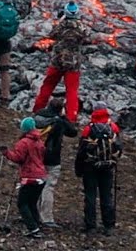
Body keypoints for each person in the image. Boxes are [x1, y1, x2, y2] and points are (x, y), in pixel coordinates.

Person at [32, 2, 91, 123]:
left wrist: (60, 20)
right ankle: (71, 117)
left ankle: (38, 109)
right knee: (72, 91)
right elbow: (87, 37)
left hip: (57, 61)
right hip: (73, 63)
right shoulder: (81, 28)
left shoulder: (61, 25)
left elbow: (51, 35)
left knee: (48, 85)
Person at [74, 102, 122, 236]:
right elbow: (119, 147)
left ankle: (91, 226)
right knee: (107, 195)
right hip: (108, 166)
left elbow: (81, 151)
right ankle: (109, 225)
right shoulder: (113, 127)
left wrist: (78, 169)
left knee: (90, 196)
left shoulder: (88, 129)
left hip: (90, 167)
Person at [33, 95, 78, 229]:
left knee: (34, 184)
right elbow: (73, 132)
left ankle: (32, 213)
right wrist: (64, 117)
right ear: (60, 109)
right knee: (48, 187)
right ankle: (46, 217)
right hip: (52, 158)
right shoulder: (59, 121)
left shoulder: (37, 117)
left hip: (35, 156)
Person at [1, 117, 48, 239]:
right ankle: (36, 225)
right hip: (41, 176)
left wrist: (6, 153)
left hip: (29, 176)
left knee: (22, 203)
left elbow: (18, 158)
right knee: (32, 202)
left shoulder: (24, 142)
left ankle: (33, 228)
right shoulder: (39, 141)